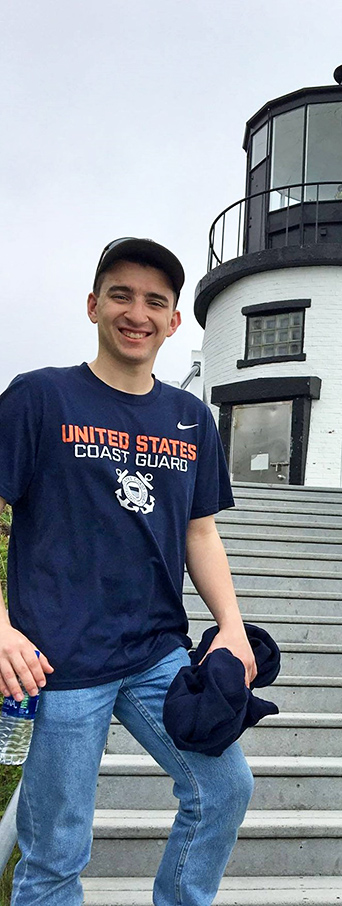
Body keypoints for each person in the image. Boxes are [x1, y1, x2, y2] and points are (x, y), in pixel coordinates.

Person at [0, 237, 256, 906]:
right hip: (55, 661)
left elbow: (200, 531)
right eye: (121, 295)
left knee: (225, 789)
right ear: (93, 305)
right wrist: (0, 628)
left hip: (156, 653)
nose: (136, 313)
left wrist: (231, 626)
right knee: (55, 853)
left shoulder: (191, 419)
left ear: (174, 321)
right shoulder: (39, 397)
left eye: (154, 302)